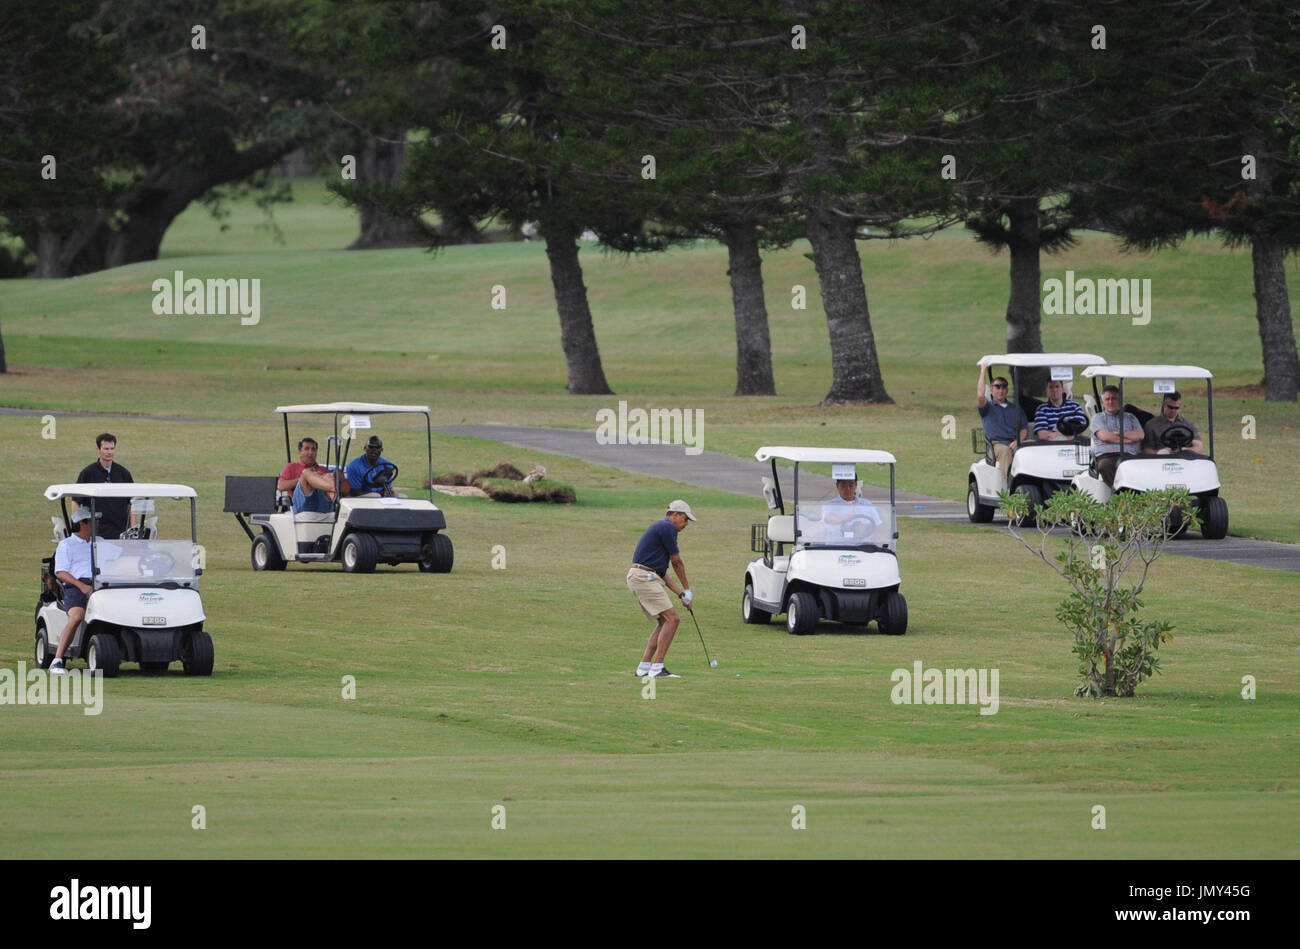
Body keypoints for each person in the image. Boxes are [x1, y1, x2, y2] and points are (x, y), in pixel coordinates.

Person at [627, 500, 696, 679]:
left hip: (645, 576)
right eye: (685, 519)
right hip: (644, 577)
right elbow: (677, 562)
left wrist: (681, 594)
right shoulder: (667, 528)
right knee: (672, 619)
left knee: (665, 621)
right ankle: (657, 668)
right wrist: (688, 590)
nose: (686, 524)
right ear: (675, 515)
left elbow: (663, 573)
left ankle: (644, 667)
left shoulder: (663, 529)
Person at [49, 508, 96, 675]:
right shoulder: (67, 544)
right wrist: (82, 586)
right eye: (93, 521)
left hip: (101, 584)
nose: (97, 524)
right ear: (83, 524)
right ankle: (57, 660)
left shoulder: (99, 542)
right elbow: (60, 572)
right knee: (77, 616)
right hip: (76, 586)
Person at [74, 433, 134, 539]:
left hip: (120, 534)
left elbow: (133, 503)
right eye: (106, 449)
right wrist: (80, 529)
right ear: (98, 449)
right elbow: (76, 502)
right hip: (95, 535)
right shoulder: (88, 473)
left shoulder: (123, 473)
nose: (109, 452)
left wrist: (132, 529)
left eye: (112, 448)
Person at [975, 363, 1028, 483]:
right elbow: (980, 395)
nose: (1001, 390)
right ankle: (1010, 487)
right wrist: (983, 370)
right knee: (1005, 451)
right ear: (992, 390)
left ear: (1007, 390)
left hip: (1015, 443)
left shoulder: (1016, 408)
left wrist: (1017, 441)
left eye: (1004, 387)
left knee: (1032, 449)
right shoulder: (987, 408)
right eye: (997, 387)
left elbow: (1024, 429)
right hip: (996, 445)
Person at [277, 437, 348, 514]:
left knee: (328, 476)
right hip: (301, 505)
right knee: (307, 473)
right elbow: (281, 486)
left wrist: (318, 476)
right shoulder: (291, 467)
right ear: (300, 451)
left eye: (313, 449)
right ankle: (335, 488)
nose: (310, 452)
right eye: (307, 449)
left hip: (323, 504)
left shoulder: (323, 469)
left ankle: (335, 493)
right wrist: (304, 479)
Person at [1091, 385, 1144, 486]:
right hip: (1106, 456)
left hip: (1127, 455)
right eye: (1107, 399)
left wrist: (1118, 433)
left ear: (1119, 400)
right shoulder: (1098, 418)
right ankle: (1116, 494)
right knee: (1104, 465)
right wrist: (1128, 439)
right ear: (1103, 402)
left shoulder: (1130, 417)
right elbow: (1105, 437)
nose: (1111, 401)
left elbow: (1140, 435)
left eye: (1114, 398)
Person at [819, 472, 883, 544]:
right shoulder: (829, 505)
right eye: (843, 485)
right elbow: (829, 518)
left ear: (855, 485)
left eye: (851, 485)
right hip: (836, 547)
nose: (847, 489)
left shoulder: (867, 504)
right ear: (837, 486)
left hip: (861, 548)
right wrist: (842, 519)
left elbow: (878, 527)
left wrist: (874, 545)